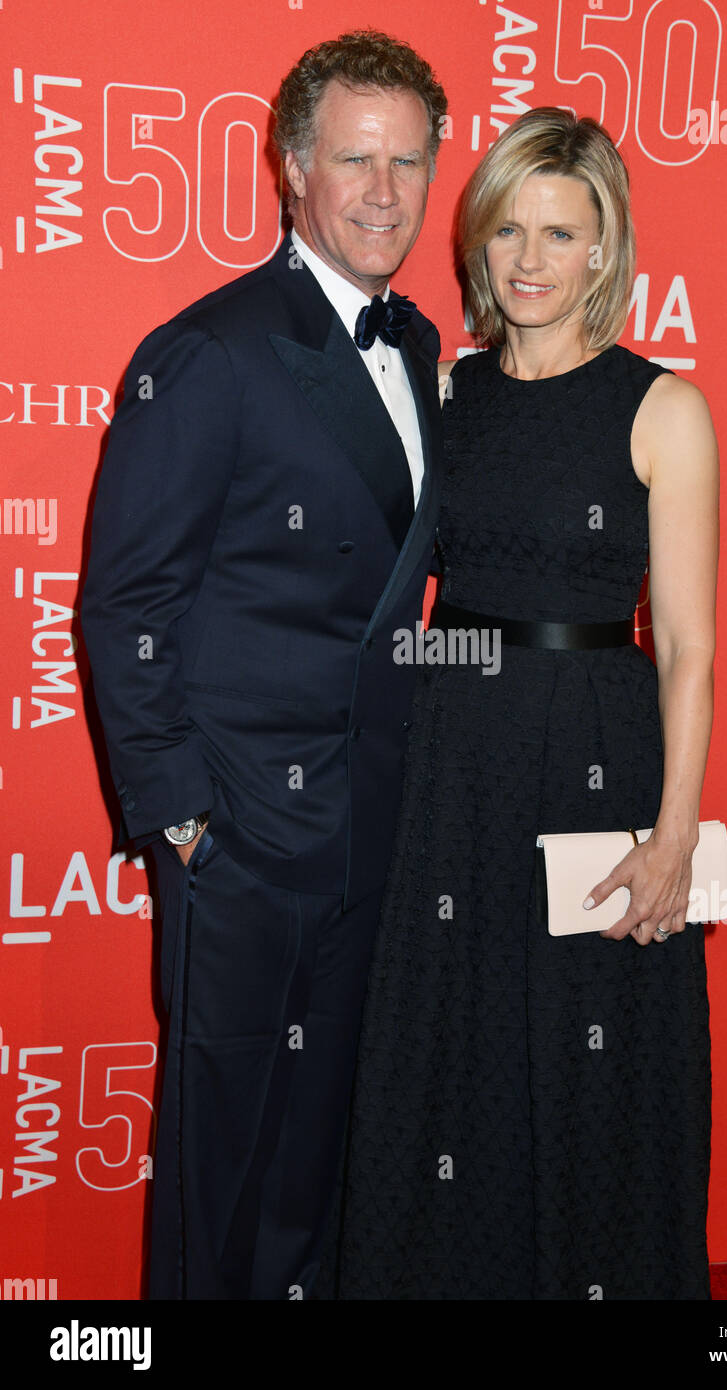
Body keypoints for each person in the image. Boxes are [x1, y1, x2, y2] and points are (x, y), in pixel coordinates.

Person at [313, 107, 719, 1300]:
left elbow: (689, 644)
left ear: (605, 249)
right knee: (450, 1047)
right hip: (452, 754)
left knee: (594, 1063)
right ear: (479, 244)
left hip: (595, 747)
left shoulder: (663, 407)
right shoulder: (446, 393)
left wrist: (676, 829)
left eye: (560, 232)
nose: (529, 260)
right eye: (507, 232)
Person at [80, 29, 447, 1300]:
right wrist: (184, 816)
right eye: (356, 158)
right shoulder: (216, 349)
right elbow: (129, 601)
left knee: (319, 1146)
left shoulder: (423, 348)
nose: (386, 191)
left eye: (409, 159)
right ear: (294, 170)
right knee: (225, 1157)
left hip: (368, 829)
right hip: (243, 830)